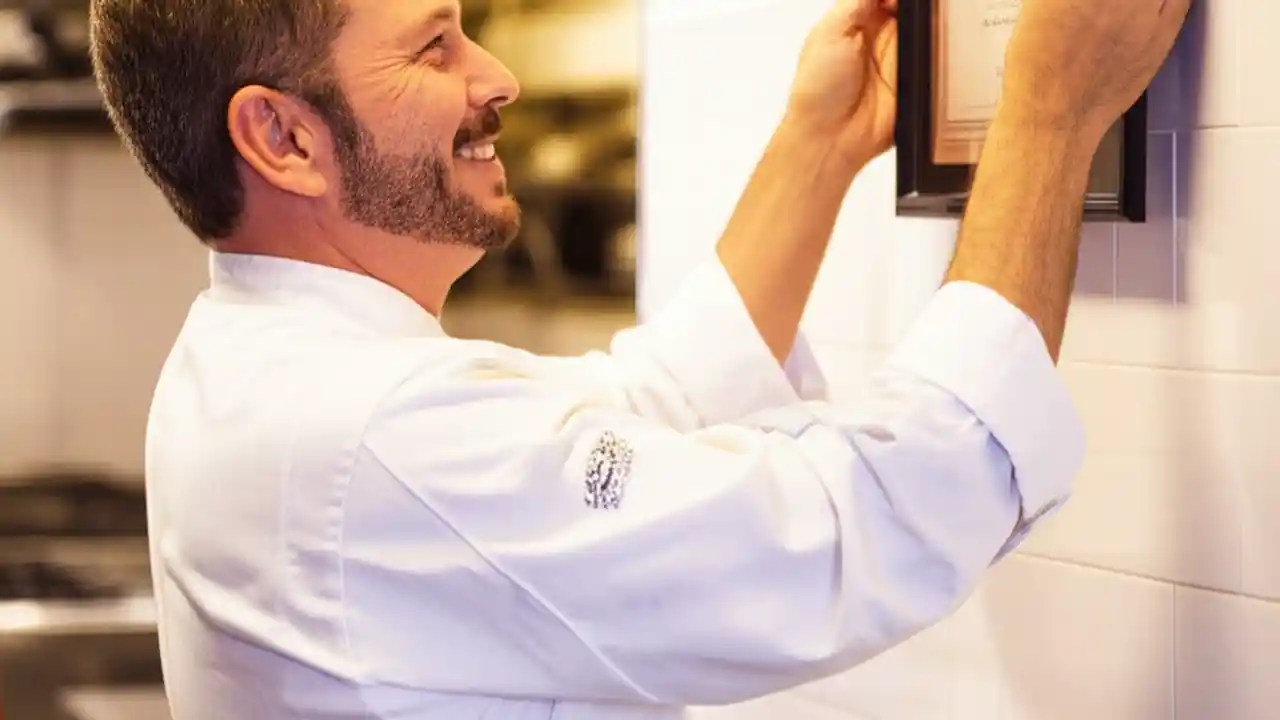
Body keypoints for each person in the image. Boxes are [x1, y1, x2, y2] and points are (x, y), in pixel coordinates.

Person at [87, 0, 1189, 717]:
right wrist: (1046, 117)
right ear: (283, 138)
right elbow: (861, 526)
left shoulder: (254, 361)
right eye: (434, 46)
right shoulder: (371, 434)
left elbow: (641, 407)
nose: (497, 75)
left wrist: (818, 143)